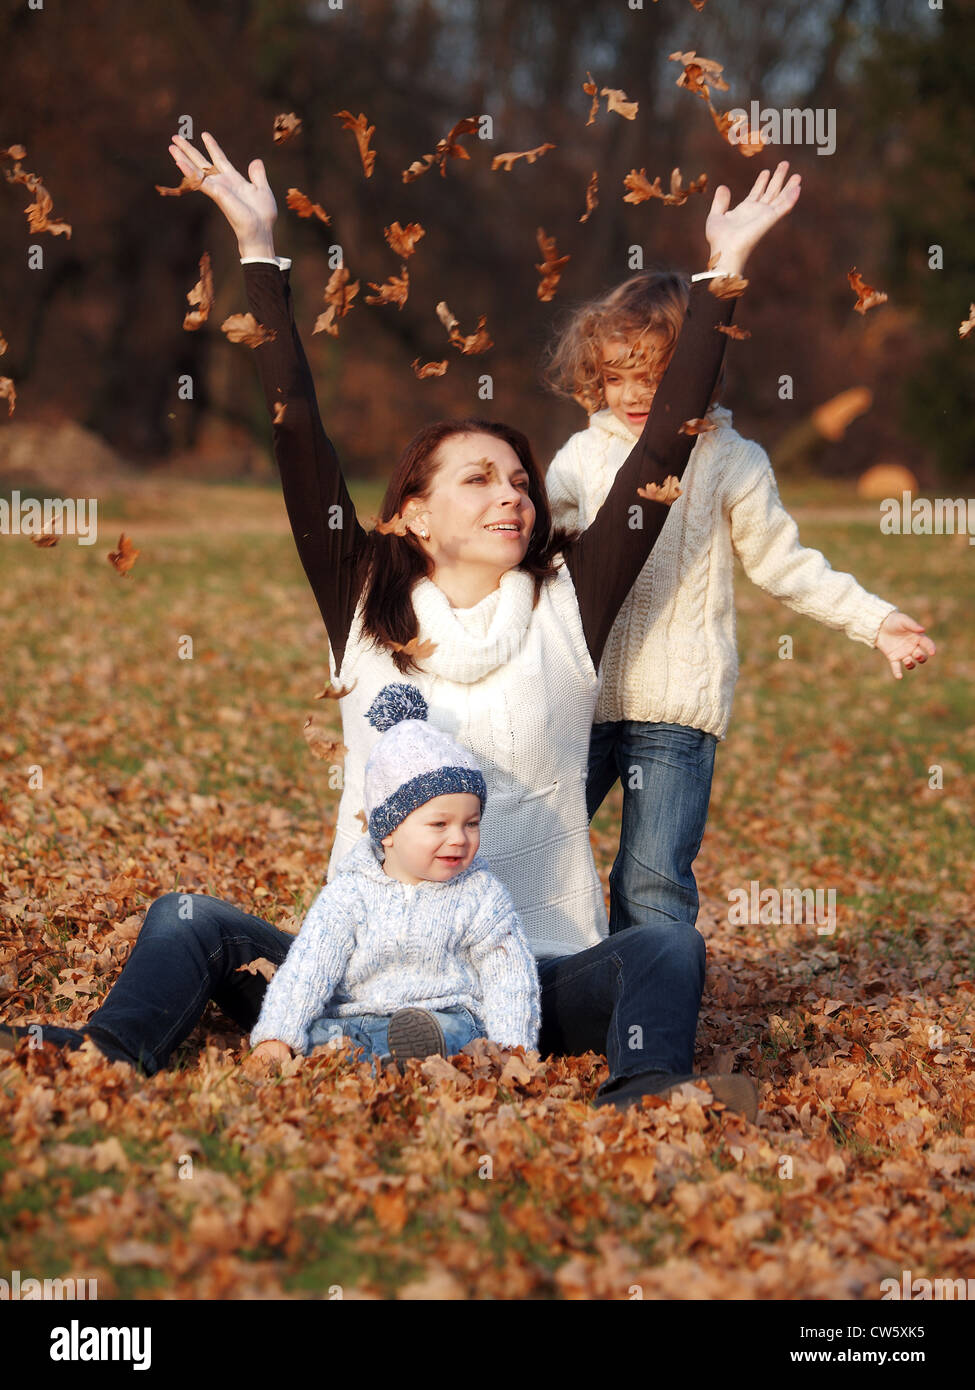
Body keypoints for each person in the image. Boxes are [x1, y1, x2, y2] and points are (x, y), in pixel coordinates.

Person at [0, 134, 802, 1121]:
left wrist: (723, 278)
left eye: (518, 479)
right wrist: (258, 254)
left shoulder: (572, 604)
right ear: (414, 512)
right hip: (359, 971)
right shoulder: (363, 597)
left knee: (669, 945)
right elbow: (300, 433)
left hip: (528, 979)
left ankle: (645, 1091)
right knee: (185, 918)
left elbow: (664, 449)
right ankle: (110, 1050)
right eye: (478, 479)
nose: (511, 495)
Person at [542, 271, 937, 936]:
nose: (634, 393)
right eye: (616, 376)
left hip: (677, 707)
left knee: (651, 881)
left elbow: (785, 563)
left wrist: (877, 622)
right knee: (533, 849)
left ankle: (647, 1025)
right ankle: (536, 991)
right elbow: (536, 559)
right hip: (577, 696)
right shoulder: (580, 457)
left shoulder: (734, 461)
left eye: (654, 374)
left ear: (696, 370)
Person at [248, 680, 540, 1069]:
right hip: (358, 1017)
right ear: (388, 831)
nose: (459, 838)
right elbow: (309, 966)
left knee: (456, 1034)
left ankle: (408, 1056)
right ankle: (378, 1059)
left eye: (471, 823)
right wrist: (277, 1035)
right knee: (322, 1035)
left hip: (446, 1015)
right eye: (439, 824)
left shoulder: (480, 894)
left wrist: (512, 1049)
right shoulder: (350, 892)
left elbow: (509, 977)